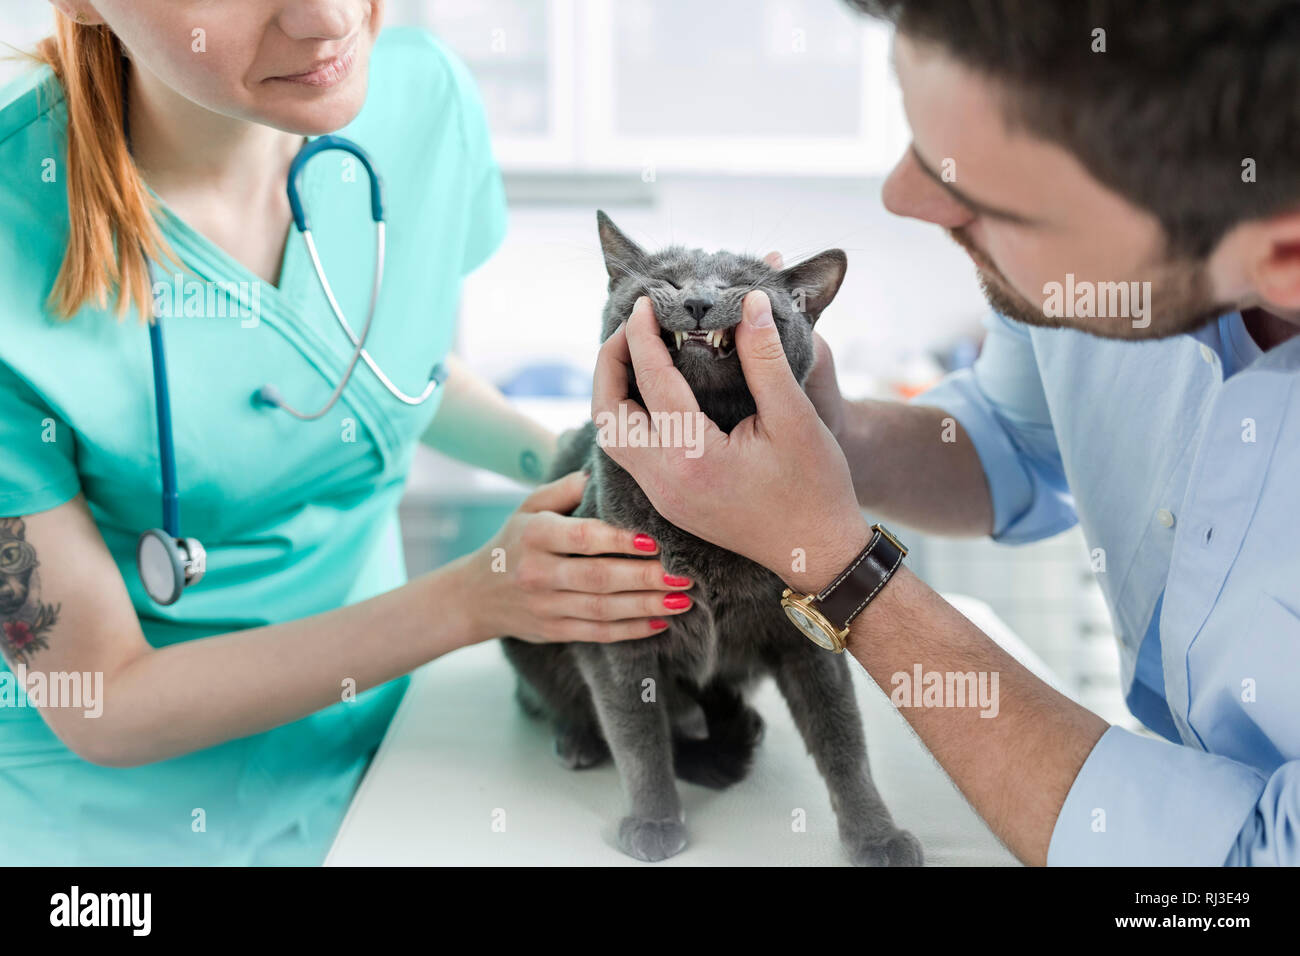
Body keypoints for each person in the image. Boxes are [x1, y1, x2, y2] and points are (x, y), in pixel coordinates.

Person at [592, 0, 1300, 865]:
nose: (904, 197)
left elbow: (1252, 867)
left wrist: (835, 561)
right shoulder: (1094, 280)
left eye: (981, 195)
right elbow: (1009, 435)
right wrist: (831, 434)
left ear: (1283, 257)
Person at [0, 0, 698, 865]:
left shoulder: (419, 97)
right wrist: (475, 597)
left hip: (388, 761)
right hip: (121, 832)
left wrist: (591, 460)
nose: (330, 18)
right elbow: (103, 698)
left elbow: (383, 369)